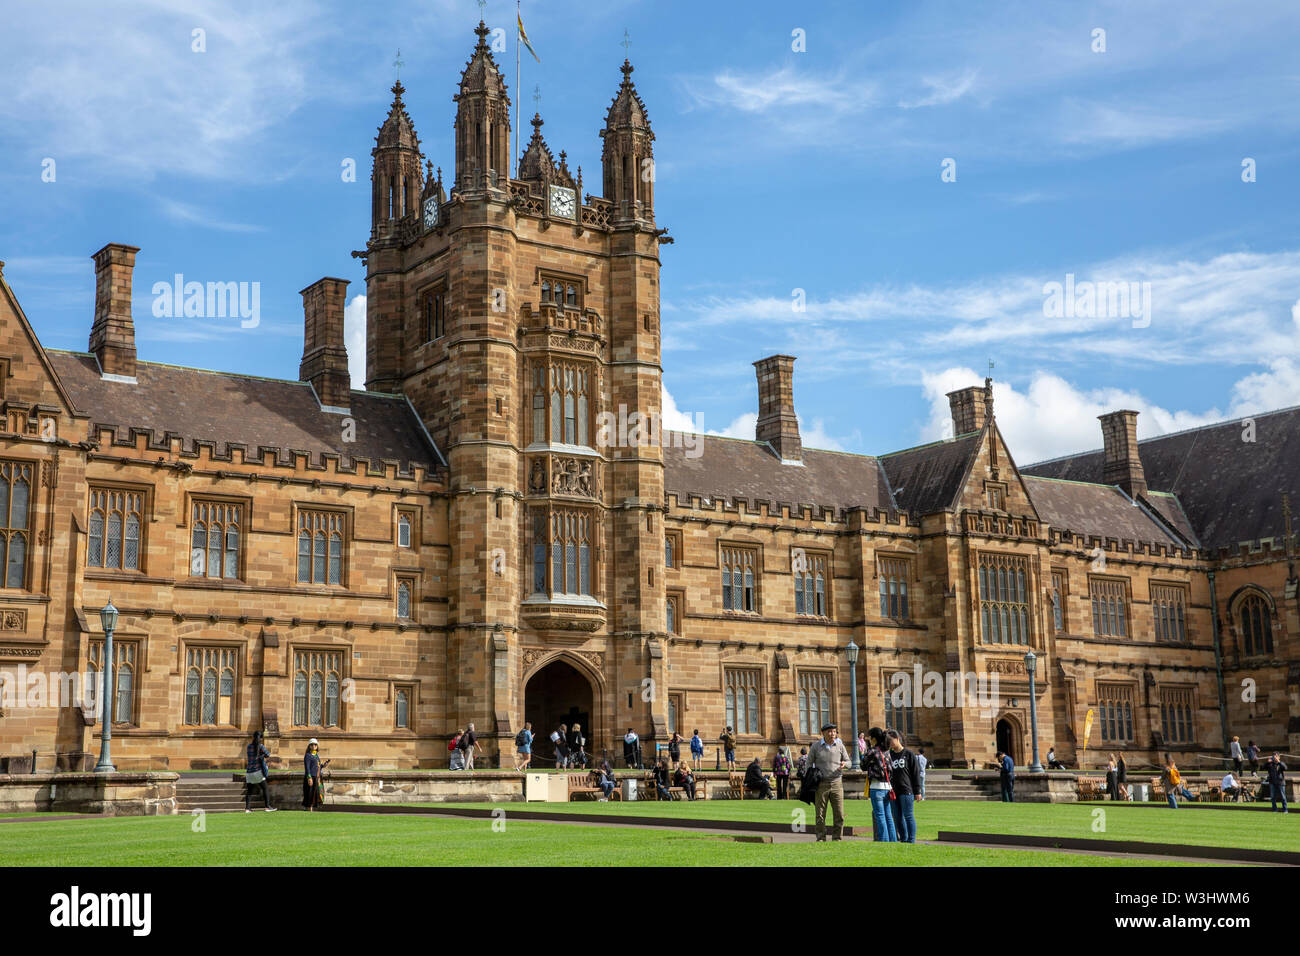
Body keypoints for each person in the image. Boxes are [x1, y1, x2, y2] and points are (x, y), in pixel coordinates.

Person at [809, 723, 852, 841]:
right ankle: (821, 837)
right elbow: (808, 764)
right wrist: (812, 776)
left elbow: (849, 762)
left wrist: (845, 764)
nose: (832, 734)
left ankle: (837, 838)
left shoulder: (840, 745)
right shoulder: (816, 747)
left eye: (834, 731)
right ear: (823, 733)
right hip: (821, 784)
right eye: (830, 731)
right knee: (820, 814)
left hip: (837, 783)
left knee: (839, 813)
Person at [886, 730, 920, 843]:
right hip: (893, 791)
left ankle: (911, 839)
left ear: (897, 739)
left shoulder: (908, 754)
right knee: (897, 817)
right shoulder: (889, 755)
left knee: (908, 816)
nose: (889, 743)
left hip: (906, 790)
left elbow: (915, 773)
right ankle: (904, 839)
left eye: (890, 740)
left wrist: (918, 791)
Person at [862, 727, 896, 842]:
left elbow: (862, 765)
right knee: (888, 816)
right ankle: (893, 840)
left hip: (876, 787)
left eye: (870, 738)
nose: (869, 740)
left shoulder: (872, 751)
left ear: (874, 739)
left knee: (880, 816)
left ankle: (884, 840)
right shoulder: (886, 751)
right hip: (887, 787)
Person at [245, 731, 275, 812]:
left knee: (249, 791)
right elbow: (268, 754)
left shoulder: (248, 746)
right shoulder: (261, 746)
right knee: (265, 788)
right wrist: (262, 755)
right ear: (261, 738)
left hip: (249, 772)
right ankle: (267, 807)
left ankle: (247, 808)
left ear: (253, 737)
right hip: (258, 771)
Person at [303, 739, 325, 811]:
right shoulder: (308, 755)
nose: (314, 746)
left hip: (316, 776)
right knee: (310, 793)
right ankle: (309, 808)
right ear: (309, 746)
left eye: (315, 745)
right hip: (311, 776)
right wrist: (309, 777)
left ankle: (312, 807)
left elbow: (317, 766)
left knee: (315, 793)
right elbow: (307, 767)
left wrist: (323, 765)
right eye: (312, 744)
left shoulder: (316, 755)